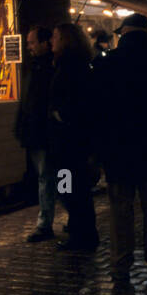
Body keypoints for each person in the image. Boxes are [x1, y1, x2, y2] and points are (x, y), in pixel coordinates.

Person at [94, 13, 147, 284]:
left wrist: (99, 150)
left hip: (119, 149)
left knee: (120, 211)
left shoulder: (110, 63)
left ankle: (120, 265)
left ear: (124, 32)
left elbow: (98, 112)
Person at [49, 22, 99, 252]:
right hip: (73, 141)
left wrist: (61, 116)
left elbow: (75, 101)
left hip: (69, 142)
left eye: (56, 37)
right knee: (73, 188)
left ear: (65, 40)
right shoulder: (78, 64)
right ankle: (82, 230)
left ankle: (82, 233)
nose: (52, 41)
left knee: (69, 188)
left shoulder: (69, 67)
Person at [15, 26, 57, 242]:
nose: (29, 47)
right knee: (47, 177)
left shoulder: (48, 68)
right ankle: (57, 217)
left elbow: (39, 104)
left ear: (44, 43)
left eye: (32, 43)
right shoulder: (37, 67)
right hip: (35, 133)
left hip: (43, 134)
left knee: (47, 178)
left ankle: (45, 222)